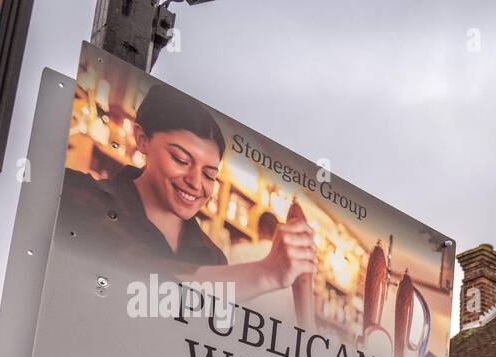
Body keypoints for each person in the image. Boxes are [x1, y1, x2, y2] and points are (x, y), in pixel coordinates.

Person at [62, 81, 317, 305]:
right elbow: (126, 273)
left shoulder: (213, 256)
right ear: (142, 139)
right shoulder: (79, 195)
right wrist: (265, 273)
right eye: (181, 159)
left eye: (209, 174)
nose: (195, 183)